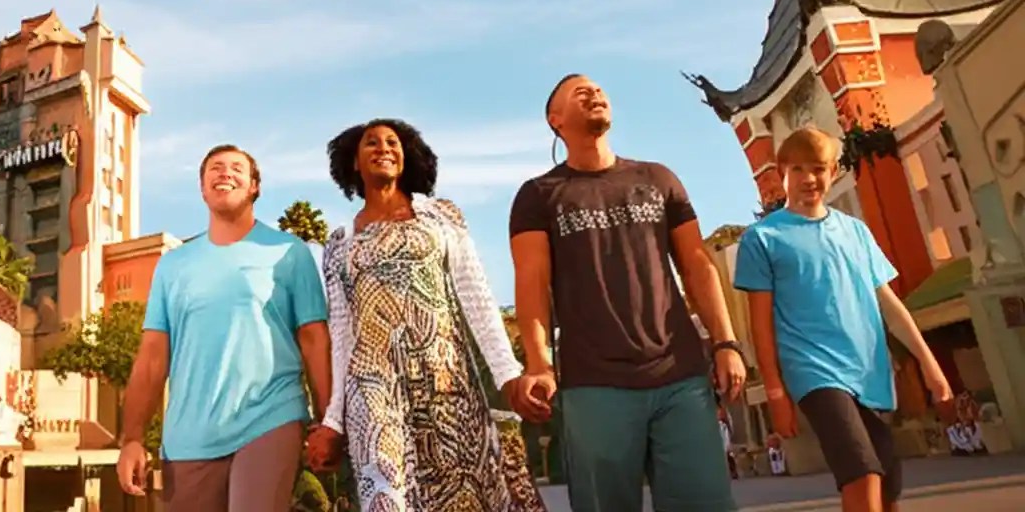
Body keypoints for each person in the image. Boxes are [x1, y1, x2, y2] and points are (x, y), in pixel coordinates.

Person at [508, 73, 745, 512]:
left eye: (598, 90)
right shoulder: (538, 196)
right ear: (555, 120)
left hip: (681, 377)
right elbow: (531, 284)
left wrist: (726, 342)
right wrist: (539, 364)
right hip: (594, 385)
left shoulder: (658, 178)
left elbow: (696, 265)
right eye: (580, 93)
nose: (595, 94)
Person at [304, 118, 546, 511]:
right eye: (371, 143)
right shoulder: (339, 245)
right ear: (353, 163)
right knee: (384, 491)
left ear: (406, 157)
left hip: (447, 381)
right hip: (372, 387)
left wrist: (509, 375)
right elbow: (342, 336)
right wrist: (334, 419)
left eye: (392, 142)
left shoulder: (440, 218)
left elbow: (477, 298)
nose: (383, 148)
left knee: (460, 495)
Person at [734, 126, 953, 512]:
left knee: (886, 486)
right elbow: (761, 324)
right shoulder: (763, 238)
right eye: (798, 168)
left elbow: (888, 303)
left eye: (818, 168)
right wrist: (775, 392)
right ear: (781, 171)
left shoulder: (855, 231)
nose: (809, 179)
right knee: (860, 470)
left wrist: (930, 366)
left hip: (869, 370)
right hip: (814, 372)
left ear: (833, 171)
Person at [115, 144, 333, 511]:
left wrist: (329, 421)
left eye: (236, 168)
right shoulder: (173, 266)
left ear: (254, 187)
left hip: (270, 416)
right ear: (202, 188)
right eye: (214, 168)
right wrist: (132, 438)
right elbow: (153, 357)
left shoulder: (288, 251)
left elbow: (314, 340)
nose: (224, 173)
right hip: (188, 436)